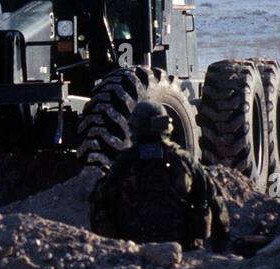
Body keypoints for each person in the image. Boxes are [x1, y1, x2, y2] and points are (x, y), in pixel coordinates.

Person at [90, 100, 230, 251]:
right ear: (165, 126)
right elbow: (213, 198)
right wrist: (221, 243)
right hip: (182, 246)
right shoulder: (183, 160)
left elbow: (100, 202)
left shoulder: (124, 162)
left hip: (134, 246)